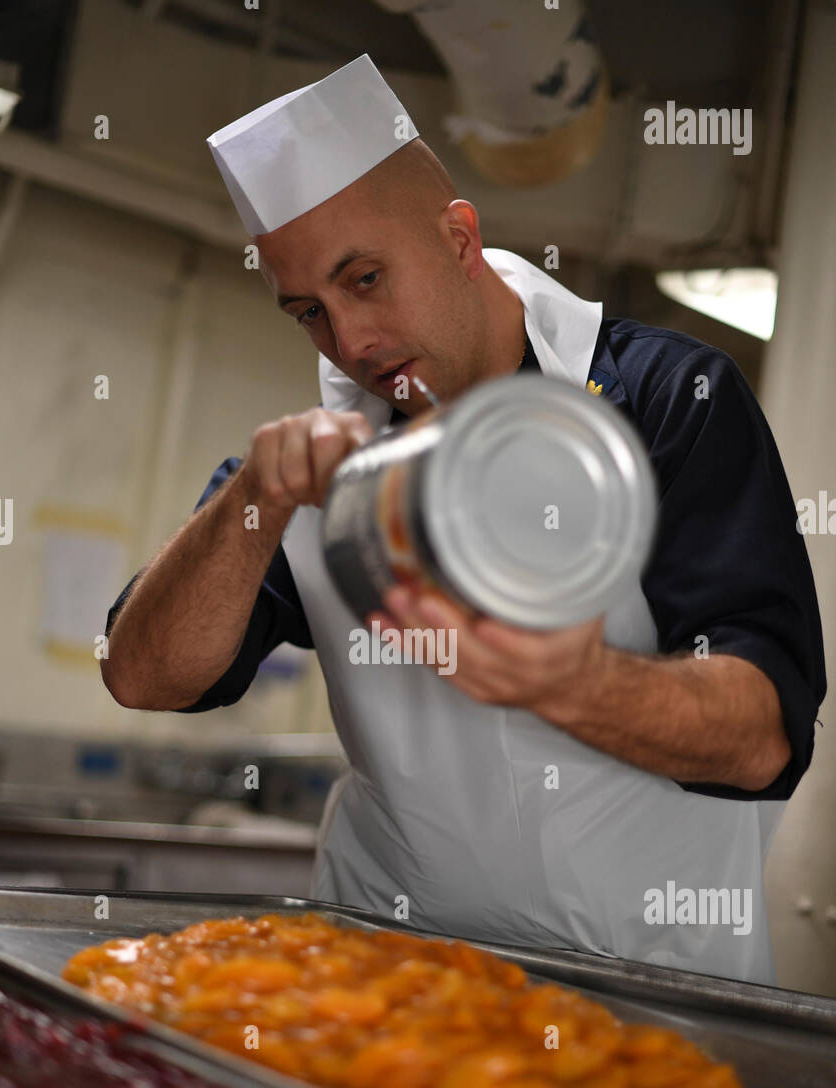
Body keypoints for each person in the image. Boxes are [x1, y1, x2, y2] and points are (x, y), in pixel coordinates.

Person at [102, 55, 826, 985]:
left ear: (457, 237)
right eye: (309, 313)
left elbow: (762, 732)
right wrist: (251, 504)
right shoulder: (315, 466)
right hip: (383, 991)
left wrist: (556, 679)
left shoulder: (662, 401)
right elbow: (144, 676)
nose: (351, 342)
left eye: (366, 279)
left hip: (649, 994)